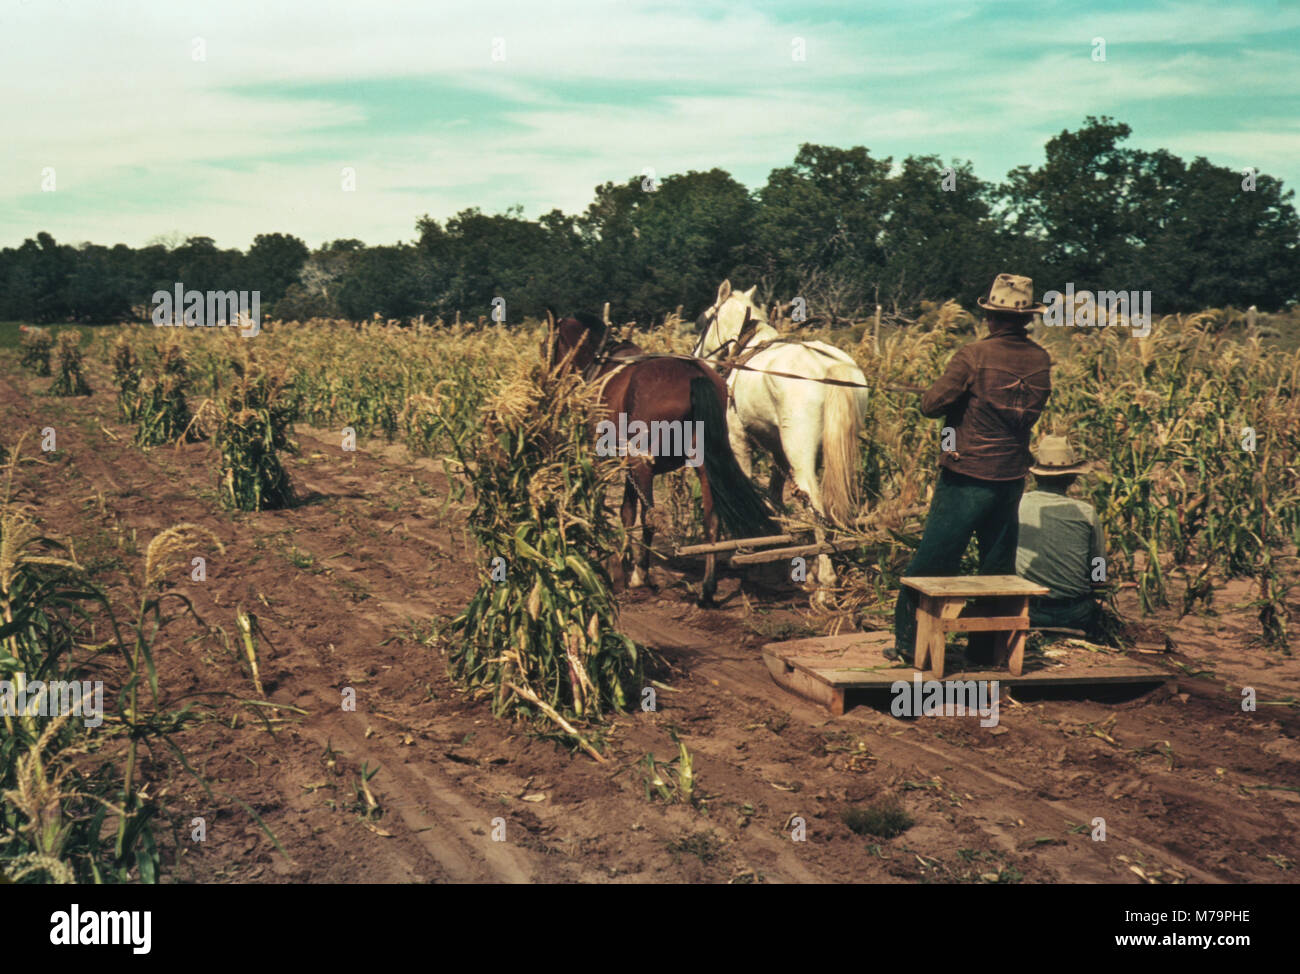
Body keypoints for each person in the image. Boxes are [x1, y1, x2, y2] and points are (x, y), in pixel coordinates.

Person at [888, 273, 1053, 664]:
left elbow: (931, 406)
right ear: (1026, 318)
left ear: (991, 317)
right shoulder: (1041, 358)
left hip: (966, 475)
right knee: (996, 566)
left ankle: (909, 647)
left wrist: (943, 393)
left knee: (933, 561)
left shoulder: (972, 355)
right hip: (1011, 476)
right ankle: (988, 651)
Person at [1016, 436, 1106, 635]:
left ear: (1035, 475)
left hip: (1026, 611)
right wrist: (1098, 592)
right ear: (1073, 478)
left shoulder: (1016, 505)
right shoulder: (1086, 513)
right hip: (1074, 614)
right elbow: (1098, 566)